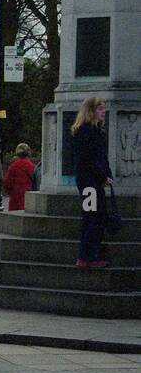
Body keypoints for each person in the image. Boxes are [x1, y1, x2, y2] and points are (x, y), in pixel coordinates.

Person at [71, 96, 114, 269]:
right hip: (89, 183)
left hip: (92, 181)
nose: (103, 111)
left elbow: (101, 158)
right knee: (93, 218)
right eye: (100, 108)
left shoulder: (94, 131)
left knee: (92, 217)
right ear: (91, 111)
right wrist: (103, 176)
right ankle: (87, 256)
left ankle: (88, 255)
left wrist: (106, 174)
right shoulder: (86, 132)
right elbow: (88, 159)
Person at [3, 143, 37, 213]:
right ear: (28, 153)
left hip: (15, 198)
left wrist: (12, 193)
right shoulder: (33, 167)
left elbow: (7, 184)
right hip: (29, 197)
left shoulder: (13, 167)